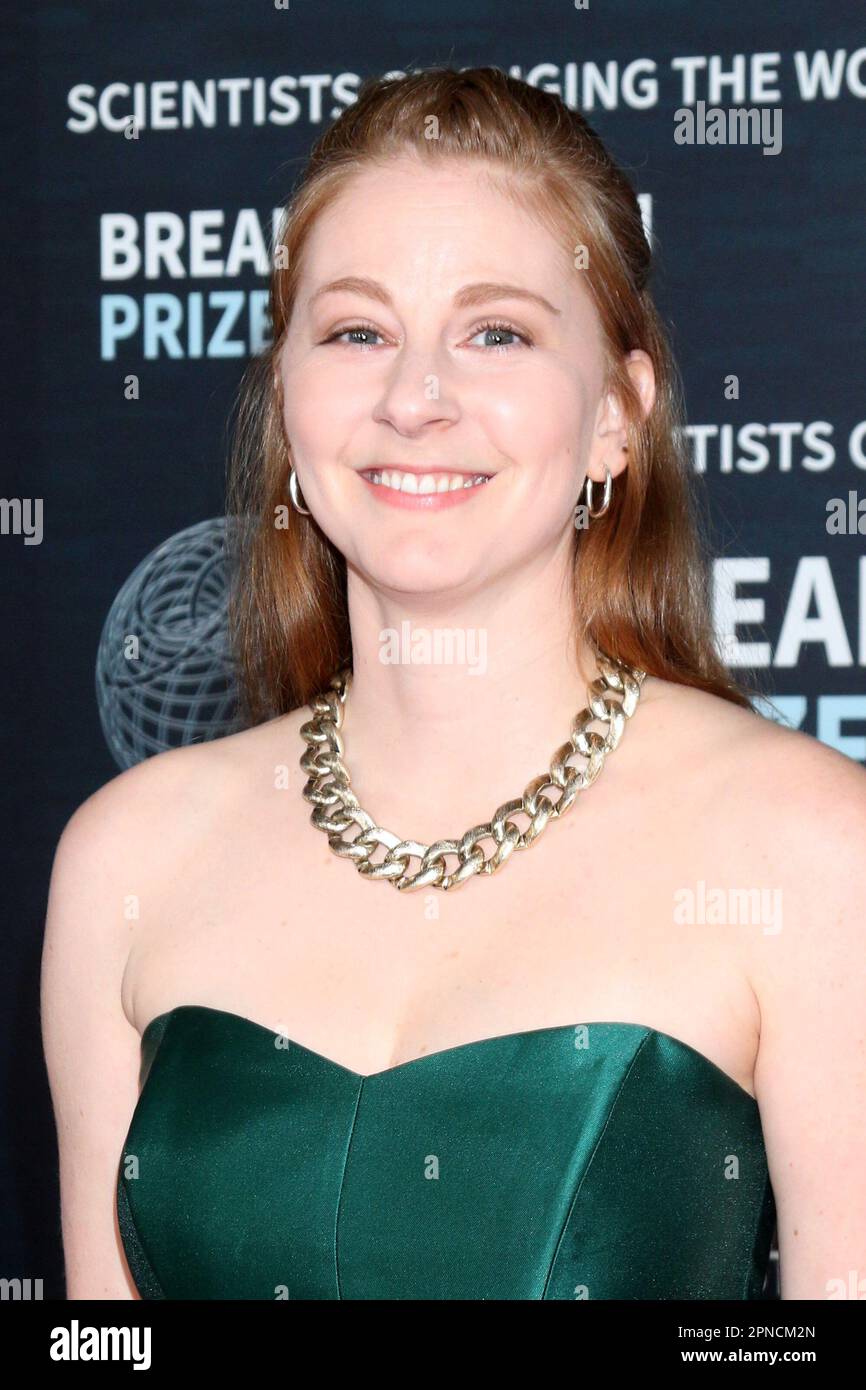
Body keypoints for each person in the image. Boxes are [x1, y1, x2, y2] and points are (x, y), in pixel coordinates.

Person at [42, 66, 865, 1301]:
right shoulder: (127, 858)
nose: (414, 398)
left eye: (497, 333)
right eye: (357, 331)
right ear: (287, 399)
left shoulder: (805, 847)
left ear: (615, 417)